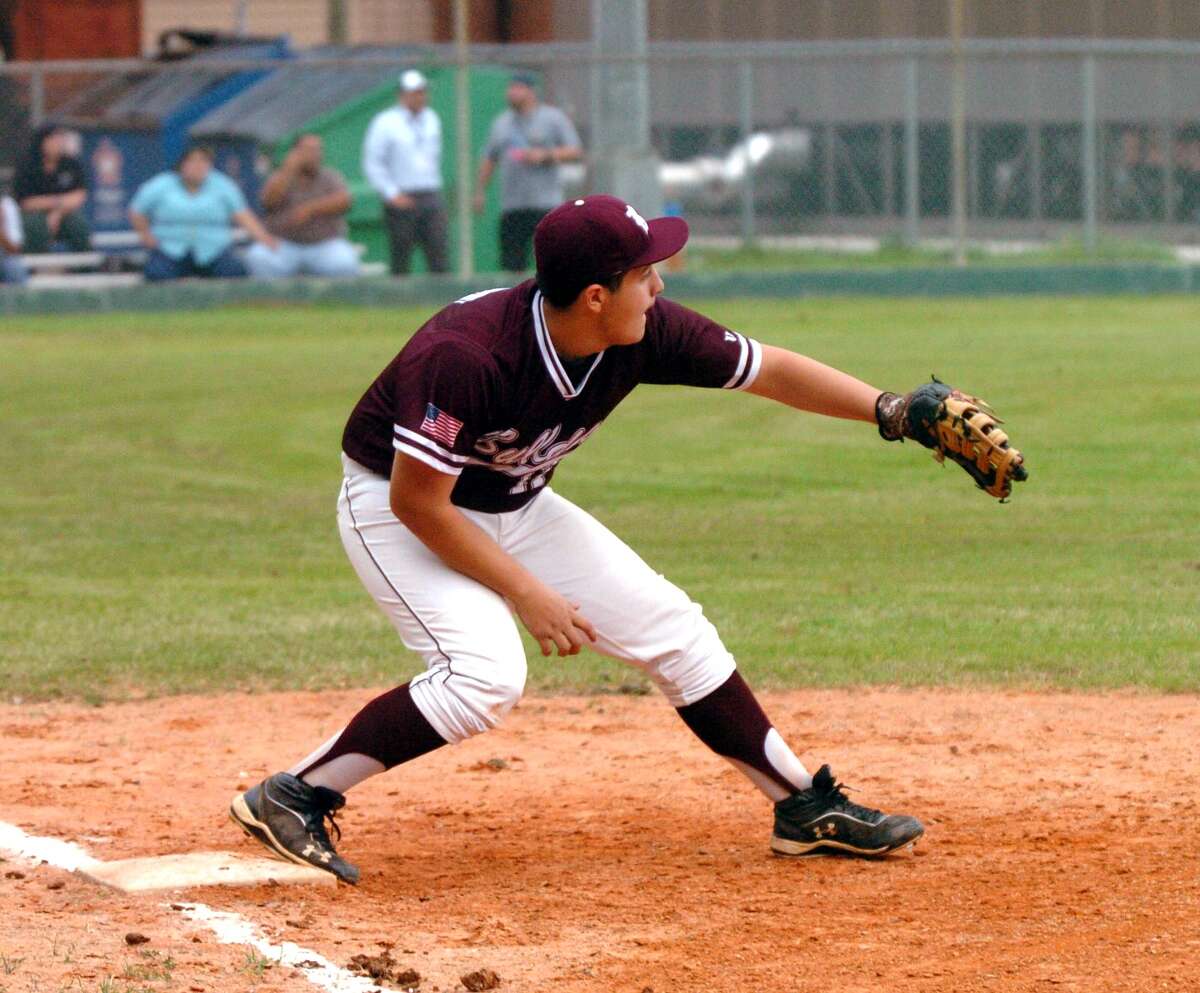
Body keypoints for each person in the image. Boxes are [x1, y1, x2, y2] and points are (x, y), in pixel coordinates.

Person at [229, 194, 930, 886]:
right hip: (394, 506)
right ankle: (293, 794)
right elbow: (418, 502)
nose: (659, 285)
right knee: (485, 676)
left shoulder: (644, 329)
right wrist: (526, 592)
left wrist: (891, 411)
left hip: (517, 504)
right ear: (596, 295)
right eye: (644, 273)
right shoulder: (466, 355)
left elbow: (768, 368)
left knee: (674, 630)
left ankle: (802, 807)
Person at [474, 70, 583, 272]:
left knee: (552, 260)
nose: (512, 93)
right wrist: (480, 191)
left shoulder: (552, 118)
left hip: (545, 203)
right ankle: (518, 300)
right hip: (513, 205)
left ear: (531, 92)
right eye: (510, 88)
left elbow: (574, 150)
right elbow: (490, 157)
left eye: (517, 88)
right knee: (512, 261)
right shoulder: (502, 123)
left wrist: (544, 155)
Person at [128, 146, 277, 281]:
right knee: (156, 273)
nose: (197, 166)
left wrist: (265, 239)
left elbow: (243, 215)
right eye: (192, 161)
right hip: (170, 248)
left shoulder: (223, 185)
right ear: (181, 164)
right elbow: (137, 211)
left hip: (213, 249)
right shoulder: (161, 184)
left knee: (234, 271)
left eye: (203, 161)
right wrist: (145, 235)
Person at [362, 69, 449, 275]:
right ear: (402, 95)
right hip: (402, 195)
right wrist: (391, 193)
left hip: (430, 193)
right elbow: (373, 162)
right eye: (415, 92)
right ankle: (398, 300)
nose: (420, 97)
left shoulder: (432, 119)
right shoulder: (385, 122)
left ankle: (444, 302)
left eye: (422, 92)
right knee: (401, 253)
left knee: (439, 251)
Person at [244, 133, 360, 279]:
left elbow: (345, 200)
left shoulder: (329, 177)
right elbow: (268, 202)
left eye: (318, 150)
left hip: (324, 245)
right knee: (258, 257)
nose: (315, 155)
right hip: (284, 245)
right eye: (309, 150)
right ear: (295, 152)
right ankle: (274, 300)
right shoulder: (280, 178)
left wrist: (310, 209)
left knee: (345, 263)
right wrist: (288, 170)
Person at [14, 123, 92, 254]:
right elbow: (26, 201)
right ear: (43, 141)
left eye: (61, 138)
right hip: (33, 216)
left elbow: (79, 195)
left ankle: (84, 268)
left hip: (64, 214)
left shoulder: (70, 164)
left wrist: (58, 212)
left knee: (78, 225)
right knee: (34, 225)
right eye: (54, 139)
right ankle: (33, 267)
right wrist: (56, 203)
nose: (59, 143)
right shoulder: (28, 165)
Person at [1, 188, 28, 284]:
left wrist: (1, 231)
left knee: (15, 267)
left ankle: (21, 298)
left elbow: (16, 248)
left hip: (3, 257)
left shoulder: (7, 204)